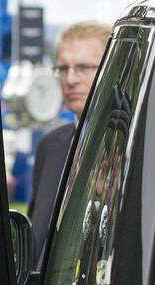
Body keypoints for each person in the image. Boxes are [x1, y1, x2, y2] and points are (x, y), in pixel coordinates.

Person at [29, 20, 112, 268]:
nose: (70, 79)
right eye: (63, 68)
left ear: (113, 69)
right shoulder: (50, 145)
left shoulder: (134, 146)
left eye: (84, 67)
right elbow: (37, 235)